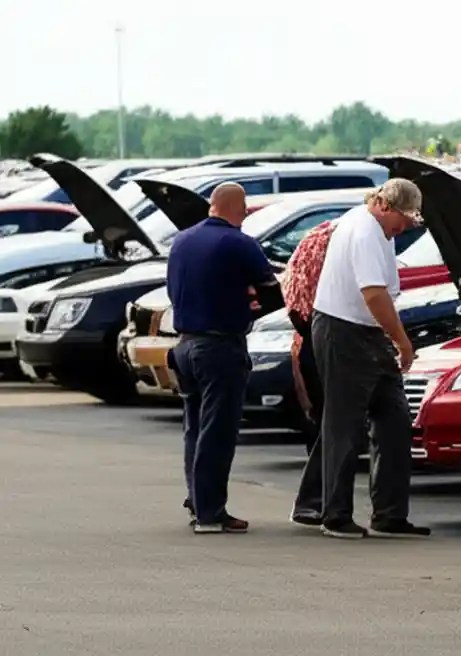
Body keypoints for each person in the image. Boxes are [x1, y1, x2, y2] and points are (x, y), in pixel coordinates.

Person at [303, 178, 432, 540]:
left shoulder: (378, 230)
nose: (405, 227)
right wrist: (402, 341)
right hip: (344, 331)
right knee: (345, 425)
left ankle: (389, 513)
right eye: (404, 219)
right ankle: (334, 513)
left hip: (365, 331)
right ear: (385, 206)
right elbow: (374, 294)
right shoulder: (363, 230)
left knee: (394, 420)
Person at [168, 183, 282, 534]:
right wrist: (248, 304)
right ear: (241, 209)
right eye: (244, 208)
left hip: (184, 345)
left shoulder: (181, 241)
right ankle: (210, 512)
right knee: (218, 431)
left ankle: (197, 499)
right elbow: (272, 294)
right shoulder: (239, 243)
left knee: (195, 428)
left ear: (211, 206)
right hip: (219, 347)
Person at [280, 219, 338, 526]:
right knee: (334, 424)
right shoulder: (337, 244)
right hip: (325, 341)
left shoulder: (312, 240)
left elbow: (292, 296)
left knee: (319, 421)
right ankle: (315, 501)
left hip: (304, 341)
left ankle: (319, 501)